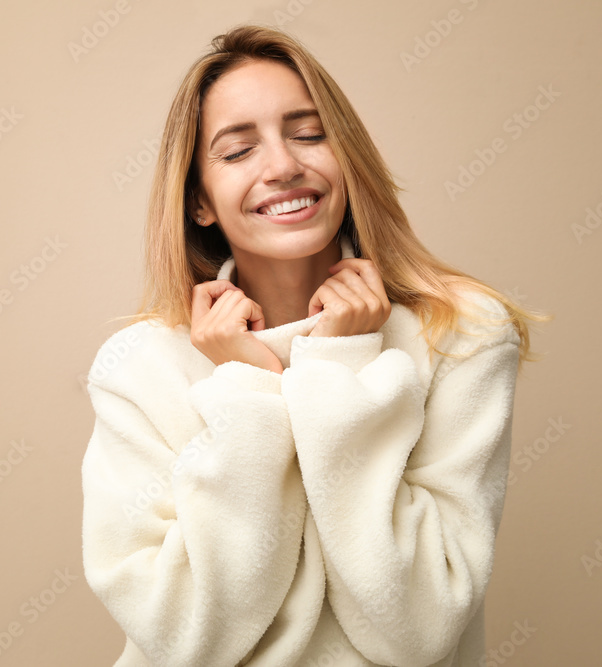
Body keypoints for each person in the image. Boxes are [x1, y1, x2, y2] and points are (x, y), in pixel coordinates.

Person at [81, 24, 549, 667]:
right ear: (199, 201)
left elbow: (418, 630)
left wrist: (341, 368)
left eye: (308, 134)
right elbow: (192, 639)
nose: (283, 166)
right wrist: (247, 392)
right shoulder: (139, 367)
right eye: (238, 151)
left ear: (348, 158)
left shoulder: (459, 335)